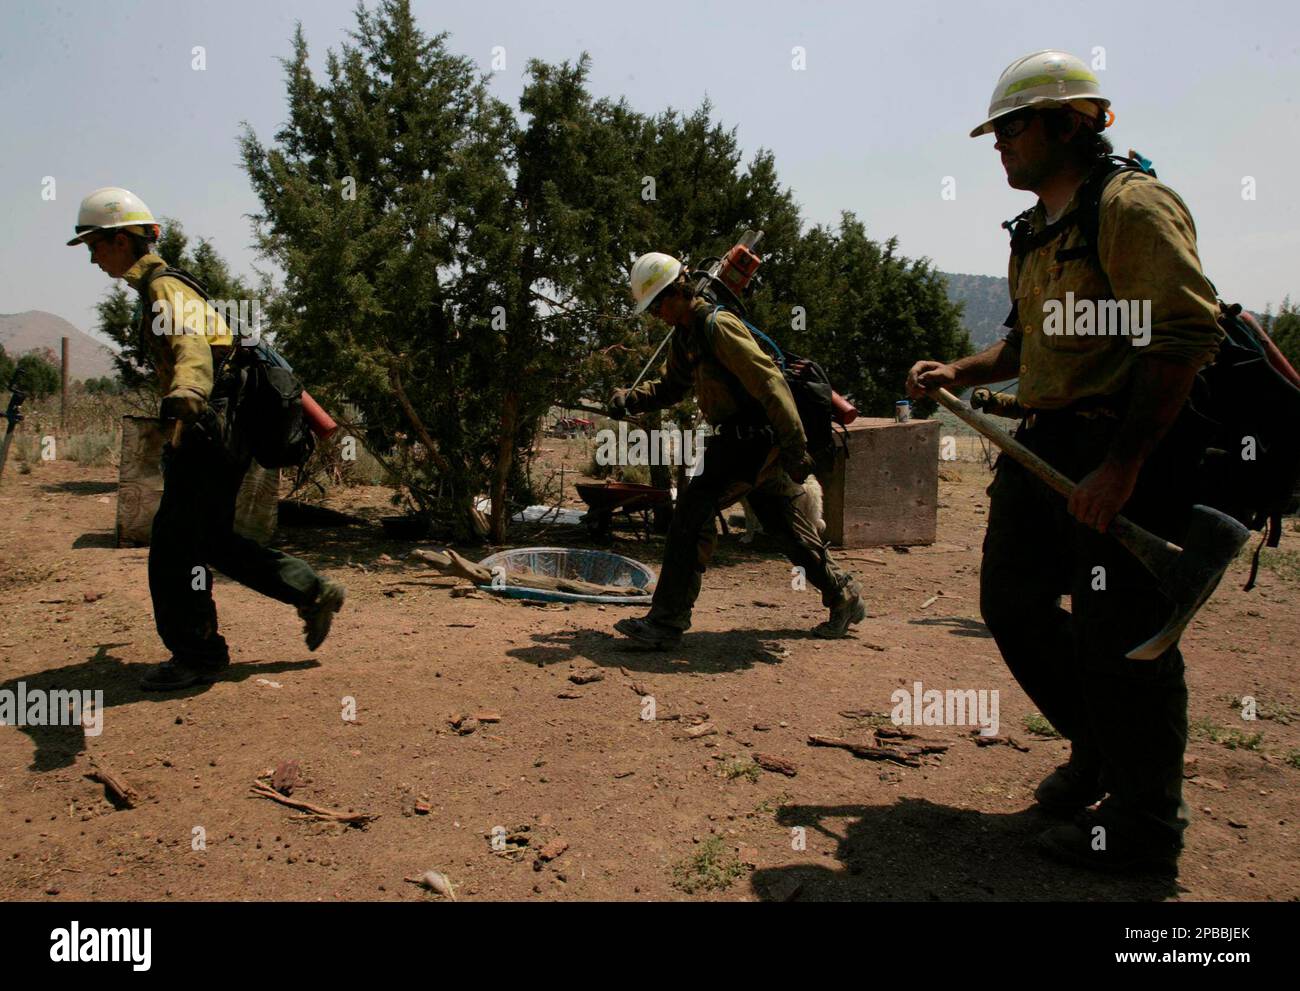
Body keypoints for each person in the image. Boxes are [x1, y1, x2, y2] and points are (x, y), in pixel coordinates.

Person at [907, 51, 1223, 875]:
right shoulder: (1035, 231)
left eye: (1011, 127)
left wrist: (1122, 466)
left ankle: (1147, 823)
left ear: (1069, 124)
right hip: (1043, 451)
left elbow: (1184, 336)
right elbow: (1023, 343)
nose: (999, 145)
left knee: (1125, 635)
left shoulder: (1130, 208)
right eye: (997, 131)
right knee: (1011, 601)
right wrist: (960, 371)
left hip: (1125, 448)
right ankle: (1099, 749)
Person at [68, 187, 345, 691]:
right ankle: (312, 590)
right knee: (210, 537)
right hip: (223, 426)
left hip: (208, 426)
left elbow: (191, 345)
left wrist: (188, 391)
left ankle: (197, 655)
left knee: (174, 545)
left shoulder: (164, 289)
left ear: (126, 240)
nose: (93, 257)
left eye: (97, 244)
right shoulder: (166, 285)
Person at [610, 253, 864, 648]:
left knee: (692, 514)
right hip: (742, 438)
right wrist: (631, 400)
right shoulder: (686, 336)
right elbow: (671, 388)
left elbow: (770, 384)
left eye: (659, 303)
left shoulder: (717, 326)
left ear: (679, 290)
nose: (656, 313)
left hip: (755, 438)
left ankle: (665, 622)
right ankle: (842, 595)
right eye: (652, 307)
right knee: (783, 523)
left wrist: (795, 447)